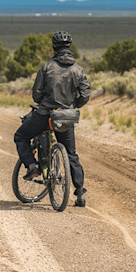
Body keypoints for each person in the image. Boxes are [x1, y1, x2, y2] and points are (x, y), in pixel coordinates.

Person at [14, 30, 91, 207]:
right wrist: (73, 105)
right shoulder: (78, 70)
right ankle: (79, 194)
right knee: (71, 154)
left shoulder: (47, 67)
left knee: (21, 136)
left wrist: (45, 103)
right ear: (69, 47)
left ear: (54, 47)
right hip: (67, 117)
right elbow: (85, 94)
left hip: (46, 115)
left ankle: (32, 167)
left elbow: (36, 94)